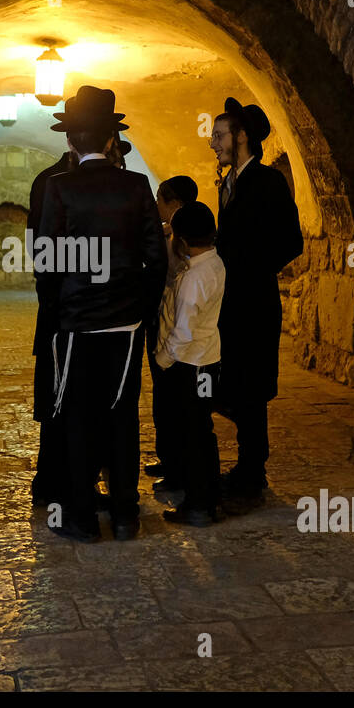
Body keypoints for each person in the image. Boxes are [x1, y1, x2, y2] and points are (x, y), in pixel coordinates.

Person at [37, 86, 167, 542]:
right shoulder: (135, 186)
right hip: (126, 326)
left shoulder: (60, 187)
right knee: (123, 415)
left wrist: (59, 310)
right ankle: (127, 514)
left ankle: (82, 517)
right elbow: (157, 257)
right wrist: (140, 310)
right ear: (112, 140)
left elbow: (48, 260)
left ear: (71, 141)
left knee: (77, 418)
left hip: (76, 325)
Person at [209, 97, 303, 507]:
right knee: (236, 382)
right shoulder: (230, 183)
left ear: (241, 136)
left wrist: (247, 271)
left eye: (219, 135)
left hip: (254, 302)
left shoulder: (266, 182)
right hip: (231, 303)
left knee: (251, 385)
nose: (213, 142)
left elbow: (291, 242)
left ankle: (253, 470)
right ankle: (247, 466)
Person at [154, 201, 226, 525]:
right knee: (203, 430)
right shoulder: (215, 264)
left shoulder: (192, 279)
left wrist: (163, 358)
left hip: (188, 365)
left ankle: (197, 503)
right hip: (209, 362)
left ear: (180, 241)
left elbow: (182, 331)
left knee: (190, 433)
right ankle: (209, 495)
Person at [27, 148, 75, 508]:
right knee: (63, 398)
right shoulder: (55, 183)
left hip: (57, 308)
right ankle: (62, 482)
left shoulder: (47, 178)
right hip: (67, 311)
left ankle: (53, 479)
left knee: (59, 397)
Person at [144, 175, 199, 486]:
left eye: (160, 200)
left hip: (171, 329)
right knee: (165, 395)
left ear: (175, 205)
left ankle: (178, 465)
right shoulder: (172, 236)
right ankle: (169, 458)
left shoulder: (182, 245)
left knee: (172, 396)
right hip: (165, 326)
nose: (155, 206)